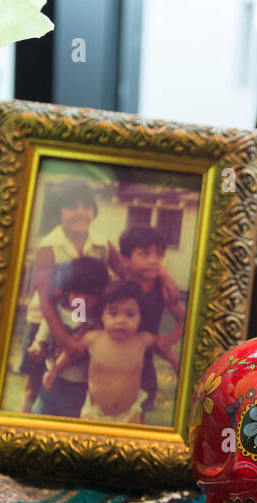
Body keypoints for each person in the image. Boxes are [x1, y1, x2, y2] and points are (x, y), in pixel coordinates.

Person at [21, 179, 111, 403]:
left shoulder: (102, 244)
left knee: (76, 376)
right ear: (58, 211)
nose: (81, 212)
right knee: (35, 380)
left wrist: (163, 277)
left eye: (86, 206)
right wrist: (64, 339)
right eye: (72, 207)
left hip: (83, 316)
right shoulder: (49, 247)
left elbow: (126, 272)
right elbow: (45, 300)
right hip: (45, 318)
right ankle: (23, 420)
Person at [45, 281, 160, 424]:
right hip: (94, 413)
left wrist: (176, 362)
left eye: (130, 315)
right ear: (102, 316)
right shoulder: (92, 339)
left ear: (140, 317)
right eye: (113, 313)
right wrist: (55, 370)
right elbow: (71, 354)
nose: (121, 320)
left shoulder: (143, 340)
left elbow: (165, 346)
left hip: (130, 413)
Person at [29, 257, 109, 418]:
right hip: (51, 381)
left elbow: (78, 349)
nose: (83, 299)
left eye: (90, 294)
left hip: (79, 386)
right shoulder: (56, 315)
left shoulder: (97, 323)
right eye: (77, 293)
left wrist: (88, 323)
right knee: (42, 418)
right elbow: (41, 341)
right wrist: (37, 348)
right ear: (67, 291)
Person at [118, 225, 186, 413]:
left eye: (158, 255)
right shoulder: (118, 287)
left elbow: (184, 319)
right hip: (116, 359)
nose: (153, 261)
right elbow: (83, 307)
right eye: (144, 254)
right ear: (125, 259)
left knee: (141, 414)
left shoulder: (162, 289)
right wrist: (79, 324)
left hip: (144, 364)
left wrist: (168, 341)